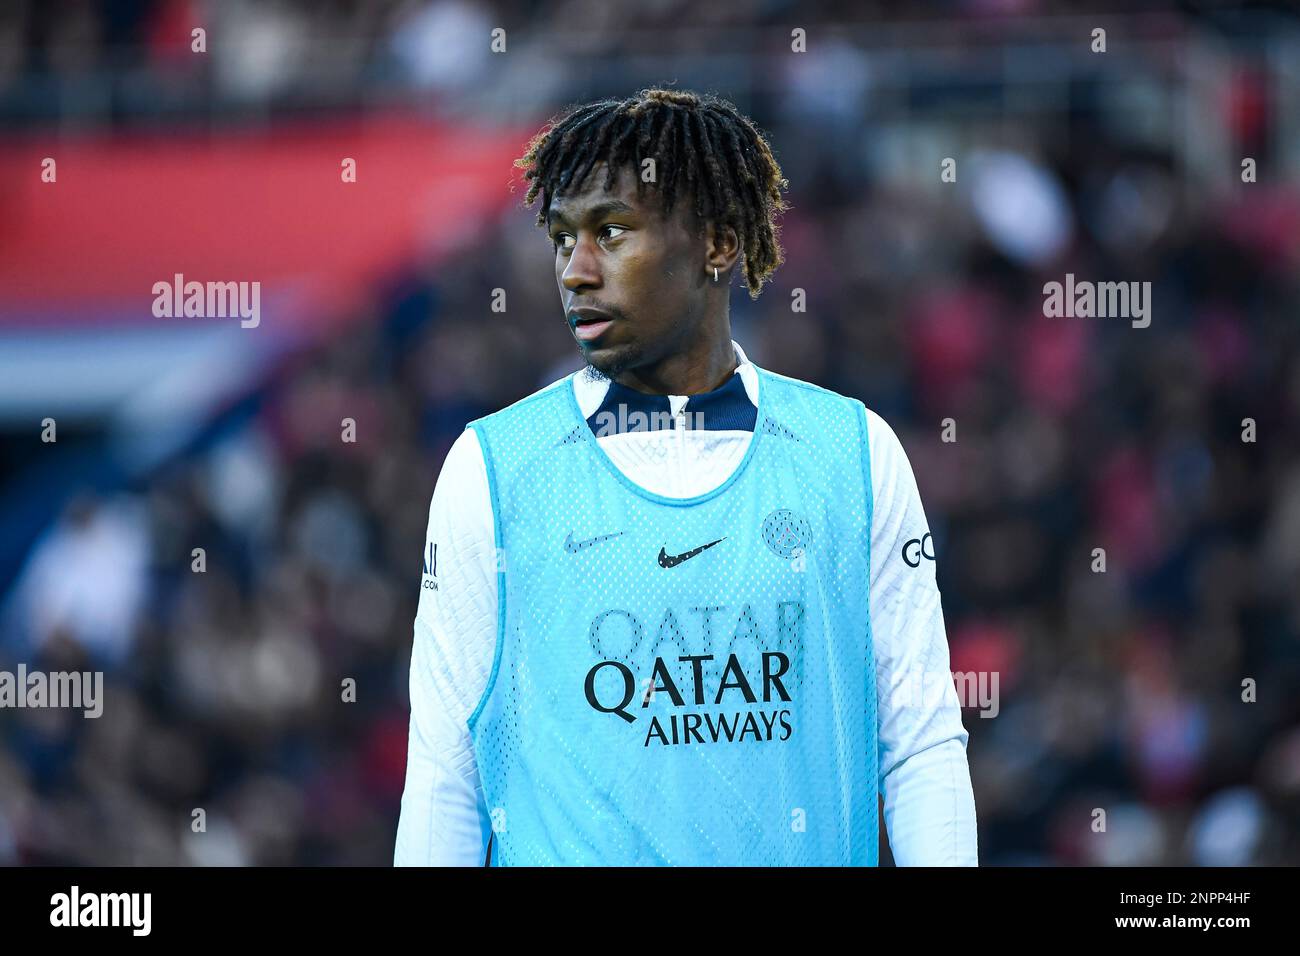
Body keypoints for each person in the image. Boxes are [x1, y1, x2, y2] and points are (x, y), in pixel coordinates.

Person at [395, 88, 977, 866]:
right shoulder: (494, 471)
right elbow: (444, 773)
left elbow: (921, 741)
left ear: (719, 244)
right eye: (563, 239)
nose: (576, 270)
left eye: (611, 232)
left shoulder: (854, 455)